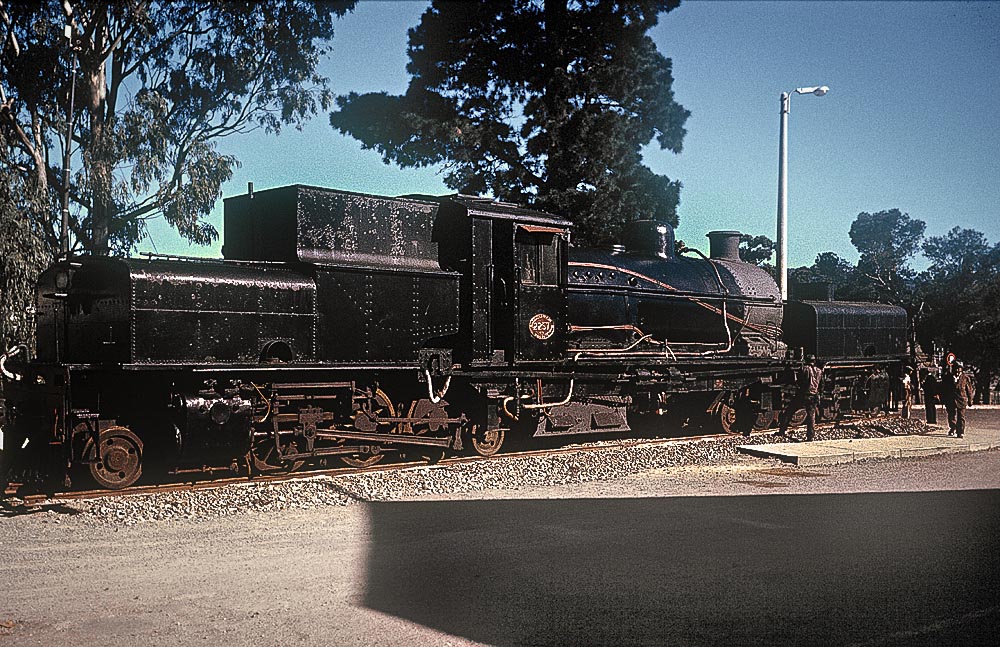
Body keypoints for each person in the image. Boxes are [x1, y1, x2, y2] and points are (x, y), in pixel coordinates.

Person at [776, 355, 823, 441]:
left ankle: (782, 430)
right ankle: (810, 436)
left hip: (803, 394)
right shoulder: (819, 371)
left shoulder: (804, 369)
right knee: (811, 416)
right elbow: (821, 385)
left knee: (789, 411)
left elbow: (800, 381)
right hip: (813, 395)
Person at [940, 361, 976, 438]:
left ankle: (960, 431)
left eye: (959, 369)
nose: (957, 371)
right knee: (951, 415)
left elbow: (969, 390)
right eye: (955, 369)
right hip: (950, 399)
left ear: (961, 370)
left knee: (961, 416)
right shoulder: (947, 377)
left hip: (961, 399)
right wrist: (942, 399)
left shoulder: (965, 378)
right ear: (952, 369)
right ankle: (953, 428)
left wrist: (970, 400)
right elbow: (943, 389)